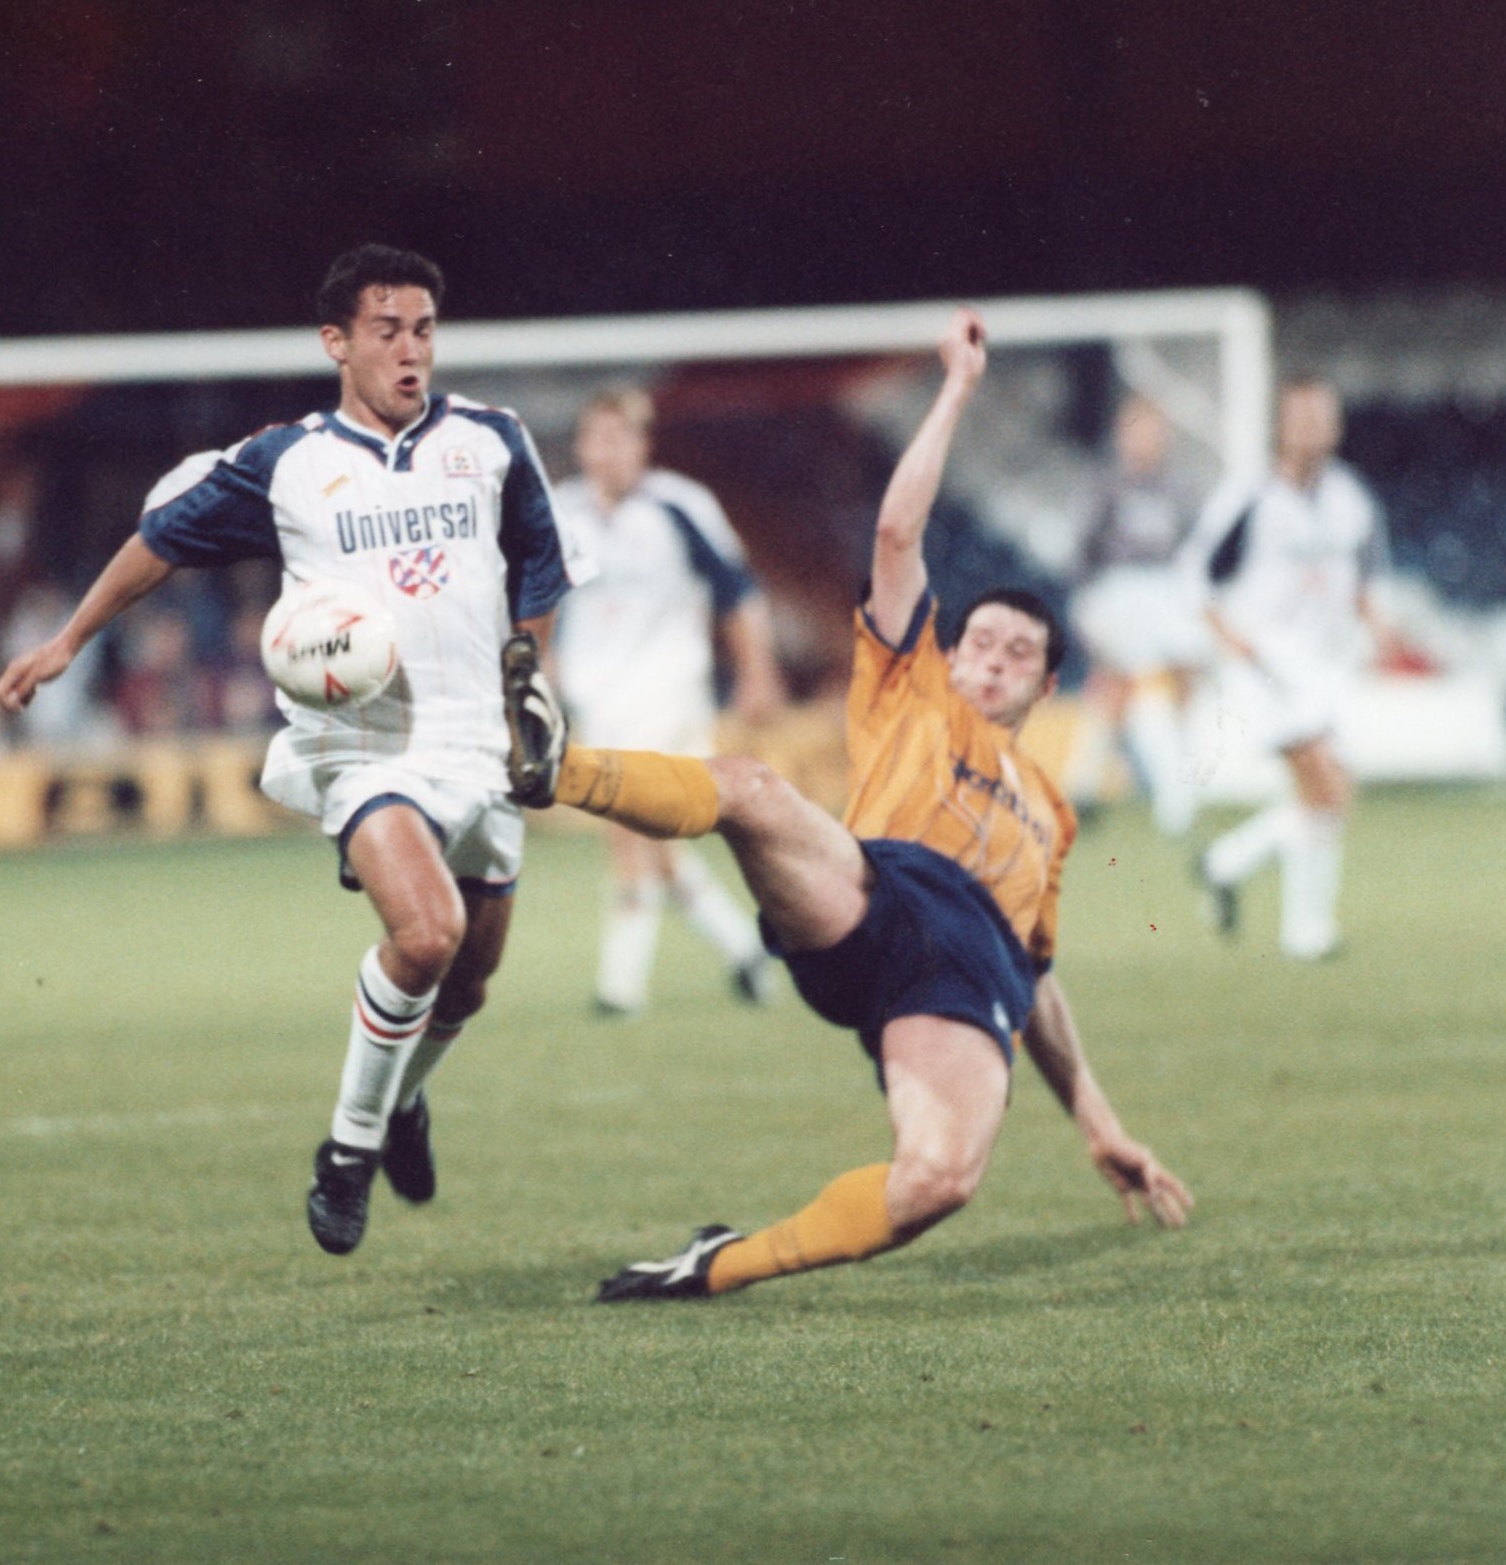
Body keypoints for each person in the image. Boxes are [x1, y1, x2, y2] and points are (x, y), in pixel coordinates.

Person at [501, 309, 1191, 1303]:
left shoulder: (1053, 809)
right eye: (982, 640)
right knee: (747, 786)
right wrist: (955, 387)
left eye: (1019, 654)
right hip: (875, 898)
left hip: (964, 981)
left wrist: (1096, 1116)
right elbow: (899, 530)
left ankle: (717, 1265)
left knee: (940, 1180)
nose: (993, 657)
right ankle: (549, 768)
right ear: (953, 654)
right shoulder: (908, 682)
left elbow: (1038, 975)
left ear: (1045, 689)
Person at [0, 244, 593, 1257]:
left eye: (423, 331)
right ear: (337, 343)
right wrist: (69, 638)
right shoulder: (288, 462)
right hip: (360, 742)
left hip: (475, 741)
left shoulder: (495, 441)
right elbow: (161, 542)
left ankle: (401, 1097)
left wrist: (529, 680)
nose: (411, 352)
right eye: (386, 331)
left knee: (468, 984)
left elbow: (539, 566)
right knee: (425, 933)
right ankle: (348, 1148)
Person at [550, 386, 787, 1015]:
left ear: (642, 446)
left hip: (669, 690)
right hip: (597, 697)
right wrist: (540, 668)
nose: (608, 451)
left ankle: (618, 987)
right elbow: (535, 600)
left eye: (620, 438)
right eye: (596, 438)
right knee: (650, 839)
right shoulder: (560, 511)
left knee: (628, 829)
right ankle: (747, 948)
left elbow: (739, 593)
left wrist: (757, 671)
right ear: (581, 447)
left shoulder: (681, 506)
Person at [1189, 376, 1392, 962]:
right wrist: (1234, 641)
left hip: (1325, 666)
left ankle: (1226, 862)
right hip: (1265, 665)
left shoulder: (1351, 498)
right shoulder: (1248, 498)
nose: (1312, 428)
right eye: (1301, 417)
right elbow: (1195, 577)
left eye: (1322, 417)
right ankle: (1306, 933)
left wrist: (1374, 626)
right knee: (1326, 787)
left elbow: (1366, 576)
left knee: (1327, 798)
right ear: (1282, 425)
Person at [1059, 395, 1212, 836]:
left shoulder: (1178, 489)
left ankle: (1084, 783)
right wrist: (1086, 608)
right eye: (1136, 429)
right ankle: (1173, 795)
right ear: (1122, 435)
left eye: (1152, 430)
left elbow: (1194, 550)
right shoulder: (1106, 486)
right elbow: (1082, 551)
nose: (1145, 440)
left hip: (1166, 590)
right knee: (1136, 682)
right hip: (1118, 590)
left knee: (1153, 682)